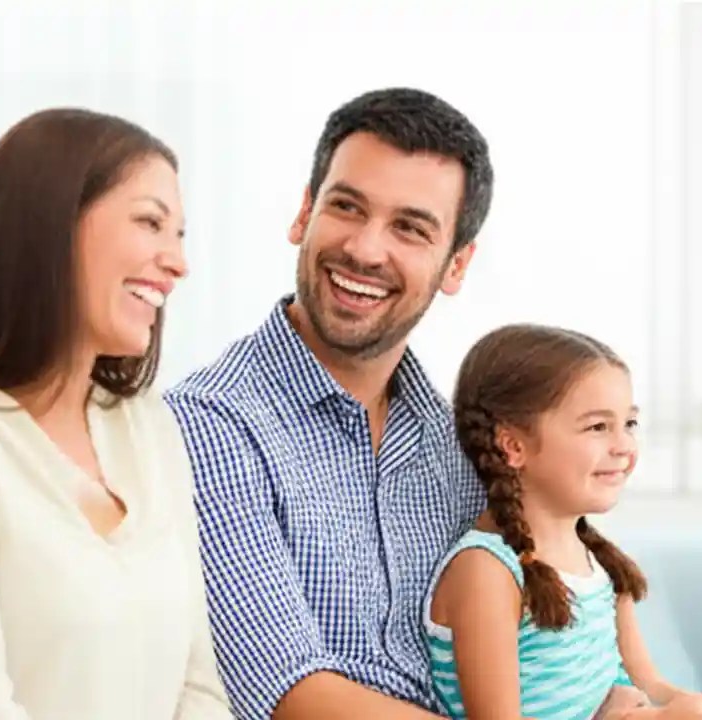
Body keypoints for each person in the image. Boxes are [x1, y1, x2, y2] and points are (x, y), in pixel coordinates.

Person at [163, 87, 493, 720]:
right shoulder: (207, 427)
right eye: (347, 207)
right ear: (304, 215)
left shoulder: (461, 445)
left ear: (456, 265)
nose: (366, 250)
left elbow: (540, 640)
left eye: (410, 228)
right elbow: (294, 699)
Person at [0, 108, 230, 718]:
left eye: (179, 234)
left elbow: (198, 682)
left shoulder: (147, 425)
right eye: (150, 222)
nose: (178, 263)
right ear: (51, 225)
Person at [424, 324, 702, 719]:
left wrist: (690, 707)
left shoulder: (600, 560)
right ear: (513, 445)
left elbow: (648, 684)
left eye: (629, 424)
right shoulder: (487, 571)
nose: (623, 446)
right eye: (598, 427)